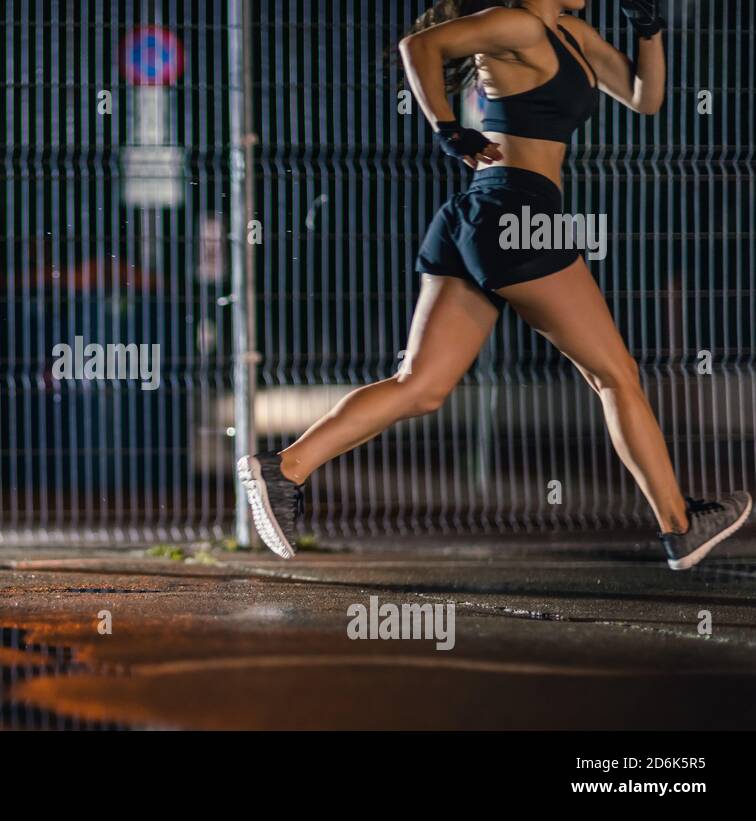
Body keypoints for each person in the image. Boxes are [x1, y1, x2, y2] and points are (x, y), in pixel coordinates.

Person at [237, 0, 751, 569]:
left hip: (481, 216)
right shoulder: (522, 24)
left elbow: (643, 97)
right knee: (616, 376)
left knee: (423, 385)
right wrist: (448, 130)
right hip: (517, 214)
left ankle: (284, 469)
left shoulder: (570, 32)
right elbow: (420, 48)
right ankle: (679, 526)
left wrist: (648, 28)